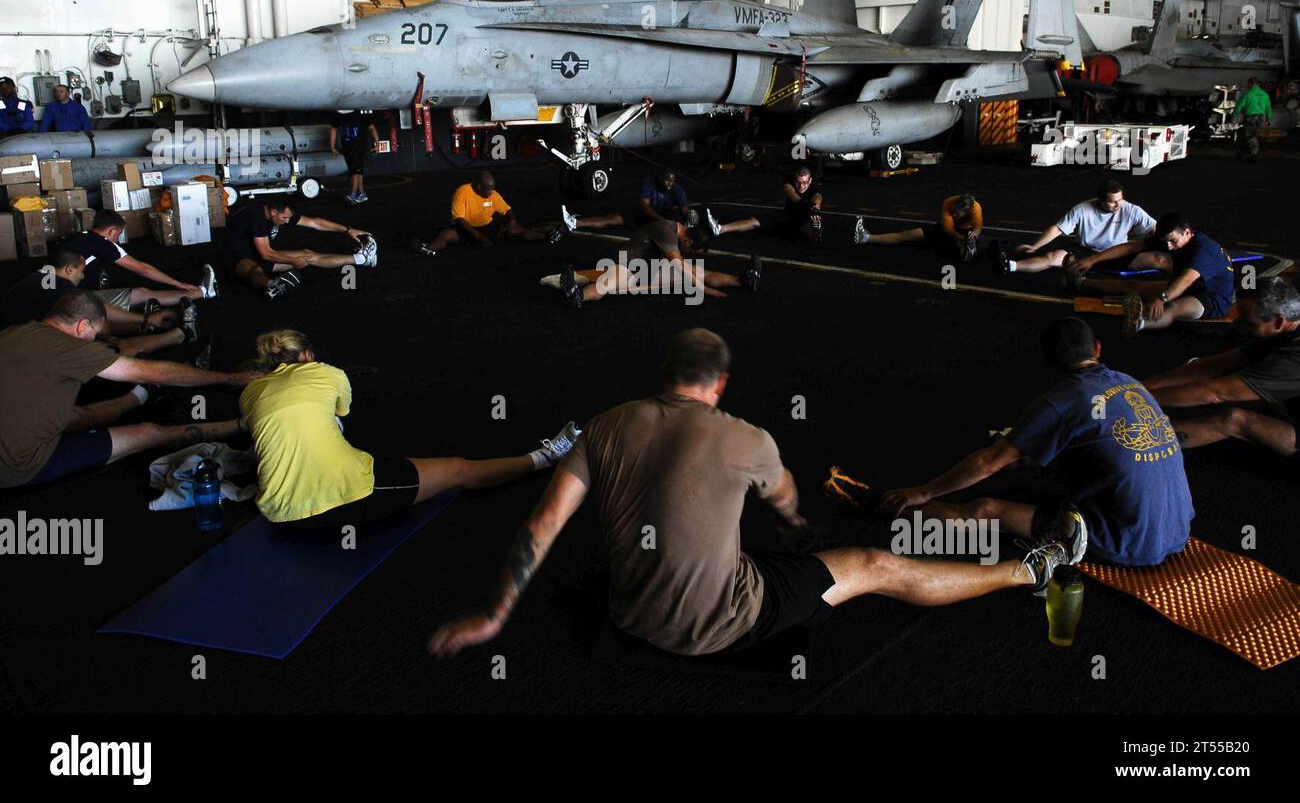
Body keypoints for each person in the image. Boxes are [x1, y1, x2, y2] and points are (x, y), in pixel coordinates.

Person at [428, 329, 1075, 659]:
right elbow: (791, 514)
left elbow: (541, 527)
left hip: (632, 618)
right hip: (724, 627)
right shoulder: (750, 439)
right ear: (722, 383)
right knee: (874, 566)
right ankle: (1028, 569)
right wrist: (797, 530)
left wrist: (491, 616)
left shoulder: (601, 426)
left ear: (667, 378)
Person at [871, 317, 1193, 569]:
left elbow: (987, 463)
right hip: (1179, 529)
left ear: (1049, 361)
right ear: (1097, 349)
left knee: (984, 510)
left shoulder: (1061, 400)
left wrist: (923, 490)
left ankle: (886, 505)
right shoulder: (1131, 383)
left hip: (1126, 543)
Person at [239, 329, 582, 528]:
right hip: (338, 502)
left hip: (276, 512)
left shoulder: (250, 392)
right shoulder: (327, 373)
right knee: (459, 469)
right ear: (306, 356)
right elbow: (341, 415)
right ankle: (545, 456)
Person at [0, 291, 255, 491]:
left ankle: (141, 395)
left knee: (74, 415)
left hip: (19, 427)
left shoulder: (14, 332)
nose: (94, 340)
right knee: (147, 432)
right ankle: (240, 425)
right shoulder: (70, 348)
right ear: (81, 326)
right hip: (18, 466)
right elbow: (155, 372)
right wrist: (229, 378)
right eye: (95, 333)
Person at [1143, 276, 1300, 461]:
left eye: (1248, 323)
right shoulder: (1281, 333)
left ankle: (1130, 441)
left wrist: (1136, 400)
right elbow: (1213, 366)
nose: (1239, 326)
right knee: (1241, 386)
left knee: (1234, 419)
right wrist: (1139, 387)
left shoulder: (1294, 359)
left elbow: (1215, 392)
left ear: (1279, 322)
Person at [1, 248, 198, 357]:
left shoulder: (43, 277)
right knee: (115, 347)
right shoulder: (58, 285)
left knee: (102, 331)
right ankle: (179, 335)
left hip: (18, 339)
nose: (83, 275)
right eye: (81, 271)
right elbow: (99, 308)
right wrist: (146, 319)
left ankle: (154, 331)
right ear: (69, 269)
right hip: (27, 349)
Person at [1068, 212, 1236, 336]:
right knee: (1132, 285)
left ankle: (1139, 323)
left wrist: (1161, 299)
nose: (1169, 247)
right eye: (1166, 242)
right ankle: (1081, 281)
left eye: (1173, 241)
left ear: (1187, 232)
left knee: (1172, 308)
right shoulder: (1171, 238)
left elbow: (1186, 280)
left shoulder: (1204, 251)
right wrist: (1092, 259)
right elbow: (1131, 247)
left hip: (1212, 297)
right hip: (1189, 284)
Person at [557, 219, 759, 307]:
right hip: (630, 263)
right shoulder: (667, 231)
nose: (687, 252)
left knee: (697, 271)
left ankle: (742, 280)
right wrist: (704, 290)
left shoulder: (677, 230)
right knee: (606, 284)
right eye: (690, 250)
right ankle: (579, 296)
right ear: (687, 241)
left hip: (649, 267)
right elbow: (679, 266)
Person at [222, 194, 377, 299]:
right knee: (254, 269)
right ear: (274, 212)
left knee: (307, 254)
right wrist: (293, 261)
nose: (287, 222)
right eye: (285, 218)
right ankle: (273, 286)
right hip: (236, 260)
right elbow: (266, 254)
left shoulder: (279, 214)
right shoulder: (255, 216)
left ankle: (361, 258)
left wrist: (348, 230)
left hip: (257, 253)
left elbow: (314, 222)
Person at [991, 180, 1157, 276]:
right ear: (1099, 200)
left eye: (1120, 199)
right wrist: (1035, 246)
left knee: (1152, 261)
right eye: (1112, 201)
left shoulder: (1131, 210)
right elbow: (1057, 229)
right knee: (1051, 256)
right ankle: (1010, 265)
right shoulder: (1083, 209)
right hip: (1085, 249)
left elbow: (1154, 229)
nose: (1118, 205)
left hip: (1115, 252)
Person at [62, 210, 217, 313]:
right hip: (68, 300)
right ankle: (202, 293)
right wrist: (179, 283)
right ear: (112, 231)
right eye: (119, 234)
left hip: (51, 289)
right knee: (141, 293)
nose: (118, 240)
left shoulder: (75, 236)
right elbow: (143, 269)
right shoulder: (106, 244)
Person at [411, 171, 553, 256]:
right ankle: (429, 249)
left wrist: (512, 220)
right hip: (465, 228)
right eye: (488, 191)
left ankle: (549, 237)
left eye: (492, 190)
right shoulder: (462, 192)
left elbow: (507, 209)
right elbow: (459, 219)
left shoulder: (492, 194)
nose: (490, 194)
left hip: (488, 227)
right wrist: (479, 236)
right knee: (445, 235)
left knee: (517, 230)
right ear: (479, 186)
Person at [853, 192, 984, 262]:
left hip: (965, 231)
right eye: (953, 212)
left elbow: (978, 228)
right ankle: (866, 238)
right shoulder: (948, 203)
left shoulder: (976, 208)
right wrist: (961, 239)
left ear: (967, 212)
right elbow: (948, 229)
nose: (954, 215)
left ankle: (967, 250)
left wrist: (971, 237)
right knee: (907, 235)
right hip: (947, 230)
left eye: (957, 214)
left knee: (965, 247)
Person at [330, 109, 381, 205]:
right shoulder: (338, 113)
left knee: (355, 170)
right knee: (355, 169)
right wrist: (332, 147)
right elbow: (334, 129)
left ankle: (353, 194)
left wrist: (377, 144)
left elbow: (372, 128)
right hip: (347, 146)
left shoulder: (360, 112)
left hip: (359, 146)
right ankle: (361, 193)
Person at [1232, 78, 1272, 163]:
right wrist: (1269, 118)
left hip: (1251, 117)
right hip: (1261, 118)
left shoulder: (1248, 93)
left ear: (1251, 84)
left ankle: (1255, 153)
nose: (1247, 86)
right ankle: (1247, 152)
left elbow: (1240, 105)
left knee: (1249, 135)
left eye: (1248, 84)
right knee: (1253, 134)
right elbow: (1268, 108)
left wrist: (1234, 115)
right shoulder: (1265, 94)